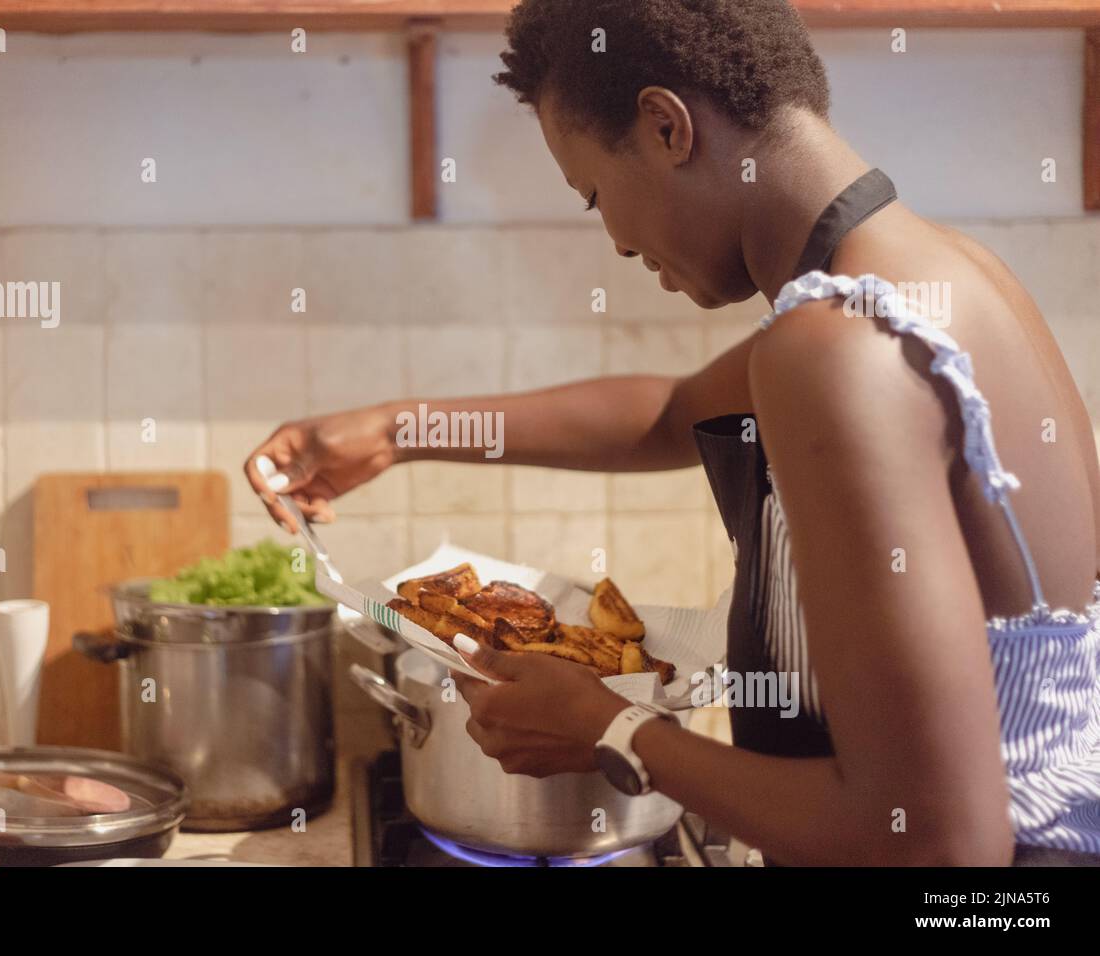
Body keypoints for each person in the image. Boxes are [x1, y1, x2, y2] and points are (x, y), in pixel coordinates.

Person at [246, 0, 1100, 865]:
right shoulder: (942, 277)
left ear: (665, 127)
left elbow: (939, 848)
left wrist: (614, 732)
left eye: (592, 196)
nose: (615, 239)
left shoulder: (835, 347)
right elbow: (666, 414)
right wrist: (397, 432)